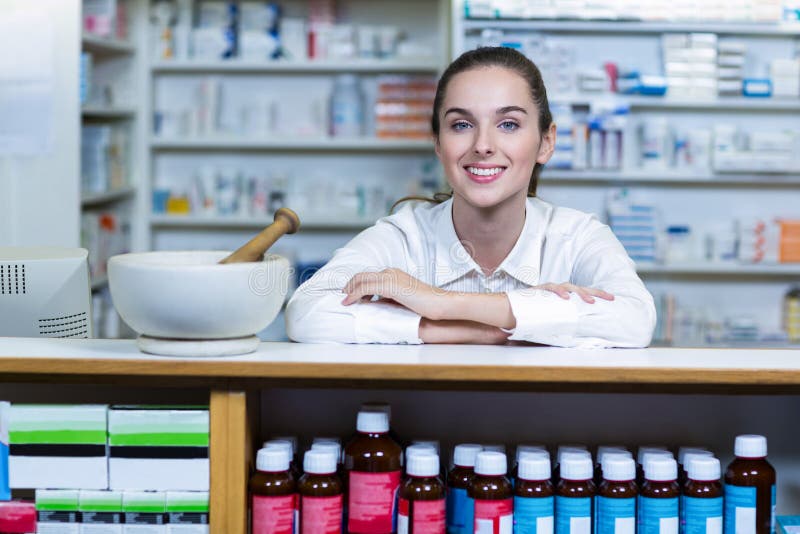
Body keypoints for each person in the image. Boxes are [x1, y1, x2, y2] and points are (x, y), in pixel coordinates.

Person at [286, 46, 656, 347]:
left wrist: (441, 303)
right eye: (461, 125)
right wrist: (475, 329)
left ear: (546, 142)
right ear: (438, 143)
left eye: (508, 124)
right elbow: (307, 311)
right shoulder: (404, 236)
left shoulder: (576, 238)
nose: (482, 145)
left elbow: (635, 319)